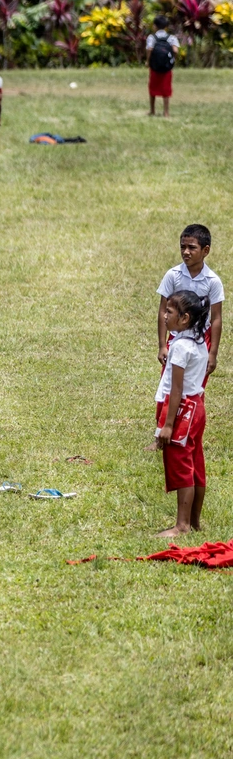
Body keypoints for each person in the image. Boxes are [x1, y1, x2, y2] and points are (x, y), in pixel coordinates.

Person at [155, 290, 210, 537]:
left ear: (185, 318)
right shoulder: (199, 342)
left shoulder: (179, 347)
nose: (164, 316)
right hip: (197, 406)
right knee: (195, 463)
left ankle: (182, 525)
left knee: (181, 466)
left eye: (169, 312)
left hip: (183, 409)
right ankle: (195, 522)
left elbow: (176, 389)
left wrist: (167, 425)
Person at [158, 224, 223, 377]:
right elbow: (162, 310)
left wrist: (213, 353)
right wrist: (162, 345)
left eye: (192, 247)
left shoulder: (213, 281)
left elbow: (216, 318)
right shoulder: (173, 275)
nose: (186, 252)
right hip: (175, 336)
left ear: (205, 250)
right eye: (183, 247)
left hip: (202, 339)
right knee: (169, 381)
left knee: (195, 383)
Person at [147, 15, 179, 117]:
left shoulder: (152, 37)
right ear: (166, 26)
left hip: (155, 66)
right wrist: (172, 59)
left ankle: (152, 110)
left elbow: (149, 49)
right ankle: (166, 112)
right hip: (166, 67)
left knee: (153, 87)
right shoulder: (171, 38)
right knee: (166, 89)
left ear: (155, 26)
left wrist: (148, 61)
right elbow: (175, 50)